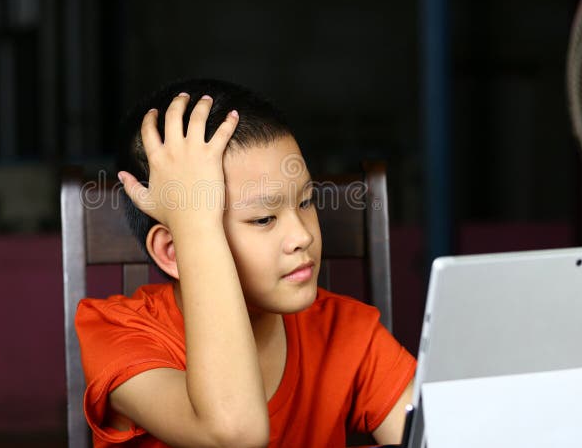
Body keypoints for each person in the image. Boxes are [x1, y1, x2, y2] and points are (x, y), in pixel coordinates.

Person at [76, 78, 415, 447]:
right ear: (175, 251)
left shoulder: (347, 331)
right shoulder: (117, 333)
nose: (303, 236)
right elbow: (234, 434)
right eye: (263, 219)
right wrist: (195, 223)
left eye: (305, 202)